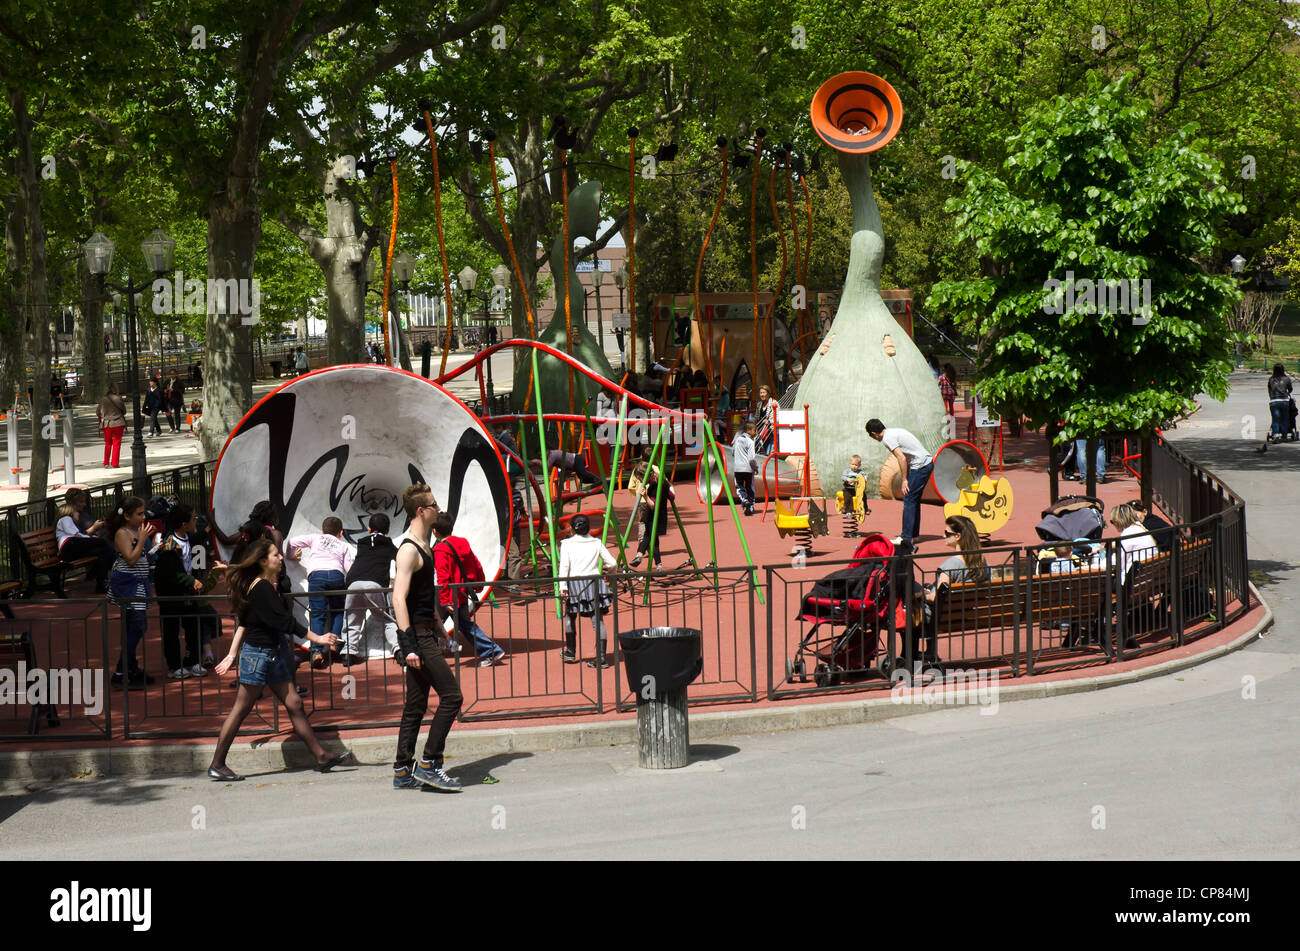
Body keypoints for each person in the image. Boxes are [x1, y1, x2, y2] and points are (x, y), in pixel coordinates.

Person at [207, 539, 347, 781]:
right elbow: (286, 622)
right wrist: (319, 638)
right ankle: (217, 764)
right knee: (241, 709)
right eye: (275, 555)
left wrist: (232, 654)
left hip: (271, 654)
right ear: (263, 561)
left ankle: (321, 756)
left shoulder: (264, 585)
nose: (281, 558)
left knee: (294, 703)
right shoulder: (260, 587)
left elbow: (251, 620)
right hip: (259, 656)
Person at [391, 483, 463, 792]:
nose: (439, 509)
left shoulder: (424, 544)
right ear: (421, 511)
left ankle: (402, 771)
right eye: (434, 505)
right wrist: (409, 646)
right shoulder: (408, 549)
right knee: (452, 697)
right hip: (417, 638)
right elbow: (398, 599)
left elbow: (423, 595)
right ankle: (430, 764)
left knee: (416, 705)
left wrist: (439, 626)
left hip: (425, 632)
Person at [155, 503, 224, 679]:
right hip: (172, 597)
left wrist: (210, 526)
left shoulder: (189, 538)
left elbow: (199, 537)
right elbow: (171, 574)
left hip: (189, 596)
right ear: (183, 523)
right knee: (171, 632)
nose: (196, 521)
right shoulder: (169, 545)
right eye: (193, 519)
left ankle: (193, 661)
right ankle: (174, 666)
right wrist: (192, 581)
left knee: (193, 628)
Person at [431, 511, 505, 667]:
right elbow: (476, 563)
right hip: (461, 592)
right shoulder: (462, 542)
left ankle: (431, 654)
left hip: (448, 594)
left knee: (432, 623)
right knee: (464, 625)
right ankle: (442, 648)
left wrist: (445, 600)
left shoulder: (440, 550)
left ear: (435, 531)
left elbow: (443, 577)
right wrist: (478, 583)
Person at [286, 516, 354, 669]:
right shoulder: (343, 546)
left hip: (317, 576)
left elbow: (292, 542)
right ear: (341, 533)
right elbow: (349, 569)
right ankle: (334, 643)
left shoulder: (315, 538)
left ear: (322, 531)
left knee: (317, 612)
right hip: (337, 575)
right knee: (338, 611)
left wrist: (291, 555)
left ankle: (316, 651)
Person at [557, 514, 617, 667]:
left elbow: (564, 567)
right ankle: (602, 657)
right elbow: (612, 563)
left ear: (571, 528)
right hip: (593, 582)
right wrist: (611, 576)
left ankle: (571, 651)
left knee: (570, 616)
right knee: (597, 620)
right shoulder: (596, 542)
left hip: (575, 583)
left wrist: (563, 587)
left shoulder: (567, 544)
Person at [106, 497, 154, 687]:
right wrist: (142, 540)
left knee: (135, 626)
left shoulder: (135, 531)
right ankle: (121, 670)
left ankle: (131, 667)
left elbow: (142, 556)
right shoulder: (122, 533)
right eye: (139, 514)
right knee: (137, 626)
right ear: (127, 516)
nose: (143, 517)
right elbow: (131, 559)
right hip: (128, 584)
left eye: (144, 513)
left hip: (139, 583)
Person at [341, 512, 399, 666]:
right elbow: (400, 557)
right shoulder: (388, 543)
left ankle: (348, 653)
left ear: (368, 529)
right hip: (373, 584)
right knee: (386, 619)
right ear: (387, 530)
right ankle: (398, 649)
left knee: (352, 619)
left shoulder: (362, 542)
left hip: (353, 583)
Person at [865, 418, 933, 545]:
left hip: (920, 466)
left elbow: (901, 458)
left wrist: (904, 480)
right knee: (914, 499)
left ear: (873, 434)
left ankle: (906, 537)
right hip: (926, 463)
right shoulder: (893, 432)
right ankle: (914, 535)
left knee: (908, 499)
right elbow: (906, 457)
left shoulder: (887, 438)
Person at [54, 489, 115, 593]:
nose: (78, 515)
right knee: (103, 543)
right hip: (69, 547)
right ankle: (114, 567)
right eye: (76, 513)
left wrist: (91, 539)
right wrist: (91, 539)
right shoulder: (65, 519)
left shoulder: (70, 521)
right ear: (71, 512)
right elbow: (76, 536)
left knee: (102, 551)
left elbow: (80, 536)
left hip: (74, 548)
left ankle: (102, 583)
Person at [629, 461, 674, 569]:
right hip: (662, 515)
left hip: (653, 515)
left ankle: (639, 554)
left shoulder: (653, 486)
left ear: (643, 476)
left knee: (648, 536)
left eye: (639, 478)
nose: (640, 481)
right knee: (654, 539)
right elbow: (672, 496)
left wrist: (645, 496)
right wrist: (670, 487)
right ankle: (659, 565)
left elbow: (653, 505)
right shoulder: (663, 482)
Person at [1109, 503, 1158, 585]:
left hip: (1133, 583)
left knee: (1099, 584)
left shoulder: (1129, 533)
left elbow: (1117, 562)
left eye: (1112, 521)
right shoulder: (1139, 528)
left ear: (1118, 520)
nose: (1113, 524)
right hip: (1147, 578)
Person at [97, 382, 127, 469]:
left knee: (108, 443)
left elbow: (97, 412)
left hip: (107, 423)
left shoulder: (102, 399)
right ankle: (115, 463)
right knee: (117, 443)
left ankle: (106, 462)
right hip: (118, 422)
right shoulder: (118, 398)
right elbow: (124, 411)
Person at [732, 421, 758, 516]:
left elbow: (733, 451)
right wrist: (755, 468)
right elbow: (751, 458)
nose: (755, 433)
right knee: (750, 487)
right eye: (754, 430)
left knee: (739, 487)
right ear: (748, 431)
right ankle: (750, 506)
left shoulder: (738, 439)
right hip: (748, 469)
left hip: (738, 468)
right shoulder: (750, 441)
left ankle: (744, 500)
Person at [840, 454, 866, 537]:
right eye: (853, 464)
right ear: (850, 464)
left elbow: (864, 476)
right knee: (848, 498)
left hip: (856, 489)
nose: (854, 467)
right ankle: (848, 511)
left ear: (859, 465)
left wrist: (865, 478)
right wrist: (848, 479)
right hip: (848, 488)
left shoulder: (860, 472)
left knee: (864, 496)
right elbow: (843, 477)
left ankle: (865, 508)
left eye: (856, 465)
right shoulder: (847, 471)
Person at [1268, 363, 1293, 443]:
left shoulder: (1271, 379)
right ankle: (1284, 435)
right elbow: (1290, 389)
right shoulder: (1286, 379)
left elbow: (1269, 390)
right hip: (1284, 401)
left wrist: (1271, 397)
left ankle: (1275, 434)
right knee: (1284, 419)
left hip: (1274, 401)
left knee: (1275, 419)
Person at [750, 384, 778, 455]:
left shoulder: (774, 403)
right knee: (763, 451)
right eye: (761, 393)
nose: (762, 395)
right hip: (761, 431)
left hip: (771, 431)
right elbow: (757, 417)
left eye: (764, 392)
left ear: (768, 393)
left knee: (770, 453)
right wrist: (750, 421)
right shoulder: (759, 404)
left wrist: (769, 421)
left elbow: (777, 418)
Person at [164, 369, 185, 433]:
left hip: (177, 400)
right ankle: (172, 427)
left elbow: (182, 391)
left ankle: (177, 428)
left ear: (176, 374)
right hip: (169, 400)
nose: (172, 375)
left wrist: (173, 390)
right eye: (171, 374)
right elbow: (163, 388)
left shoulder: (179, 381)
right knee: (168, 413)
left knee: (177, 414)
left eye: (173, 374)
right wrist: (165, 391)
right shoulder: (167, 381)